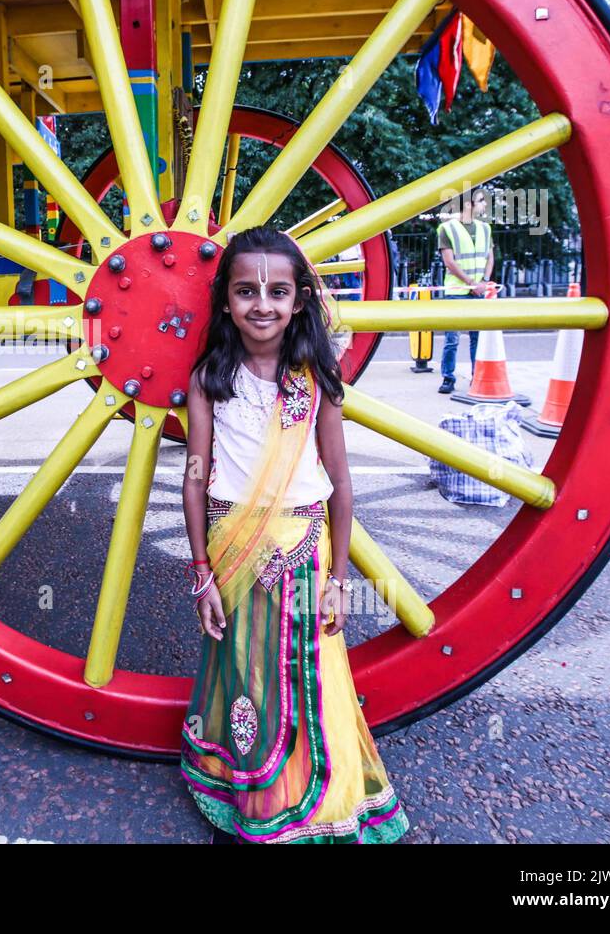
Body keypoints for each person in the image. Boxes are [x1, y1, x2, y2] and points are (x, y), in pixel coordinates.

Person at [179, 225, 409, 844]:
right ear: (225, 300)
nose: (262, 305)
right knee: (247, 670)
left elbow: (339, 480)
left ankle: (314, 801)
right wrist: (201, 572)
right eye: (245, 291)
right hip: (233, 546)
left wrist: (339, 581)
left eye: (278, 292)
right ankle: (256, 792)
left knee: (309, 671)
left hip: (305, 548)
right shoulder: (209, 382)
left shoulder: (316, 382)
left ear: (299, 301)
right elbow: (195, 479)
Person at [437, 187, 494, 394]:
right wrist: (474, 282)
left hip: (477, 290)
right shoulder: (447, 229)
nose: (484, 205)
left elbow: (490, 257)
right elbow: (449, 262)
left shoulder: (485, 229)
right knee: (452, 338)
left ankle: (475, 378)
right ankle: (448, 377)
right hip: (457, 290)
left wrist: (484, 281)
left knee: (477, 338)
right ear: (469, 204)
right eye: (481, 201)